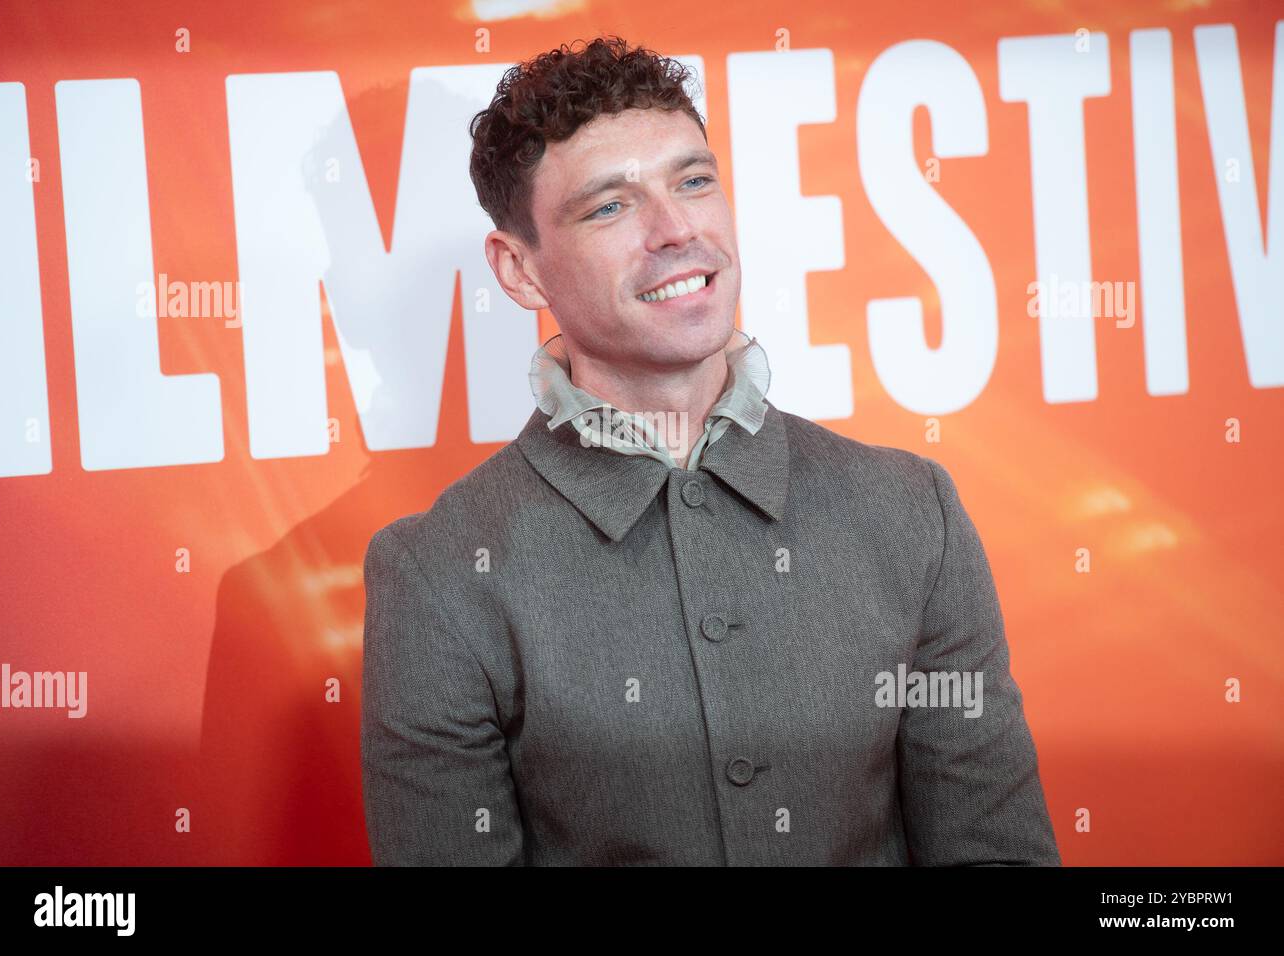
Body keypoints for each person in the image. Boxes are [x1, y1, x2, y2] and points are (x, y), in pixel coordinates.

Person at [360, 35, 1060, 866]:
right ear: (520, 272)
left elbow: (996, 852)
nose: (676, 229)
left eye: (693, 181)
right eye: (609, 206)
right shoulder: (436, 575)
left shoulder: (912, 512)